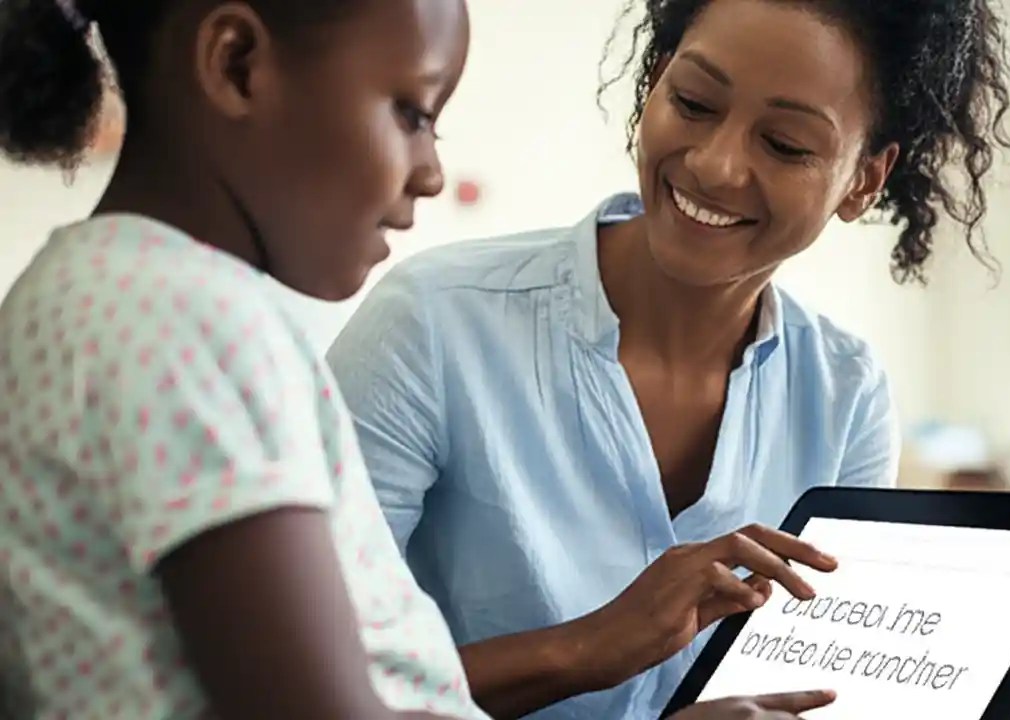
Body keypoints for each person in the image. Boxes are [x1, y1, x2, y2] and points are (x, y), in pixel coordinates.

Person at [0, 0, 836, 718]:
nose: (432, 173)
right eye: (411, 113)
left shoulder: (102, 292)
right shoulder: (182, 321)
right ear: (237, 63)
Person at [327, 0, 1010, 719]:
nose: (715, 165)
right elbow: (301, 680)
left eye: (785, 144)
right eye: (694, 103)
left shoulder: (847, 393)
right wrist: (586, 647)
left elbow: (826, 692)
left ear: (864, 180)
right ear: (654, 84)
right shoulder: (434, 321)